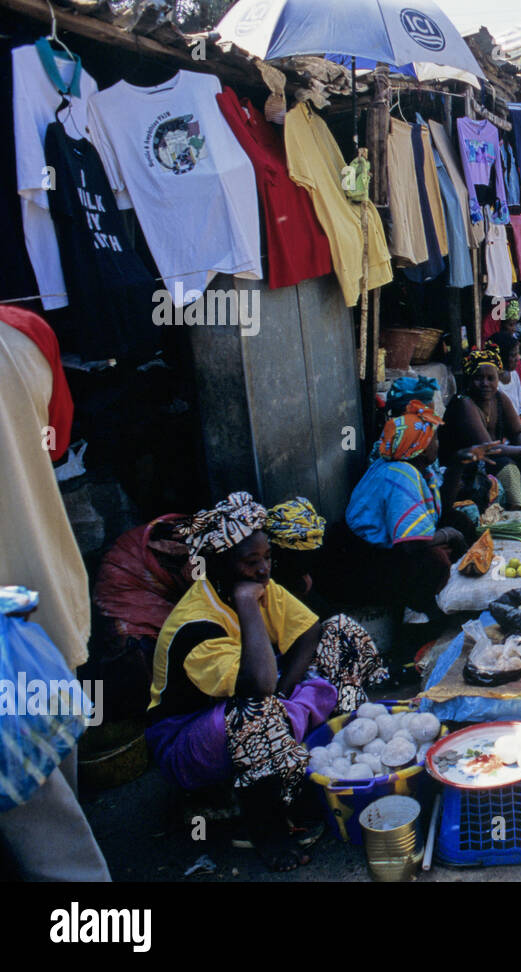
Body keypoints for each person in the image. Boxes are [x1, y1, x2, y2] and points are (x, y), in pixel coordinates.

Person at [146, 492, 389, 871]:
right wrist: (246, 605)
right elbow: (258, 685)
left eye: (267, 558)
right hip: (188, 739)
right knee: (257, 714)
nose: (264, 571)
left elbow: (309, 629)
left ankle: (328, 762)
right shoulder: (196, 626)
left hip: (257, 695)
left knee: (339, 631)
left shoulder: (257, 583)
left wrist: (287, 691)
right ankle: (267, 830)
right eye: (251, 562)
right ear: (218, 568)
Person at [0, 307, 111, 881]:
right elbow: (54, 442)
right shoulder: (24, 333)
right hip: (43, 610)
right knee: (56, 822)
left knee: (46, 843)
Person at [345, 400, 471, 619]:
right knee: (435, 561)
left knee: (460, 521)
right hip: (367, 557)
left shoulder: (413, 467)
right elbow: (411, 544)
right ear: (420, 448)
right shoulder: (400, 475)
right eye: (434, 439)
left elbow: (438, 510)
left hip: (388, 543)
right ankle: (428, 617)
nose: (438, 444)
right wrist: (448, 535)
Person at [439, 347, 521, 509]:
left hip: (491, 459)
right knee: (507, 467)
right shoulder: (464, 402)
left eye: (490, 378)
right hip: (464, 468)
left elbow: (518, 432)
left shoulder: (498, 397)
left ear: (497, 379)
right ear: (469, 380)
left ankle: (517, 491)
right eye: (478, 378)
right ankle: (515, 508)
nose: (485, 383)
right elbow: (488, 450)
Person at [488, 331, 521, 419]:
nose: (518, 358)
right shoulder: (493, 384)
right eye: (513, 355)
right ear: (501, 357)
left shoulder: (514, 375)